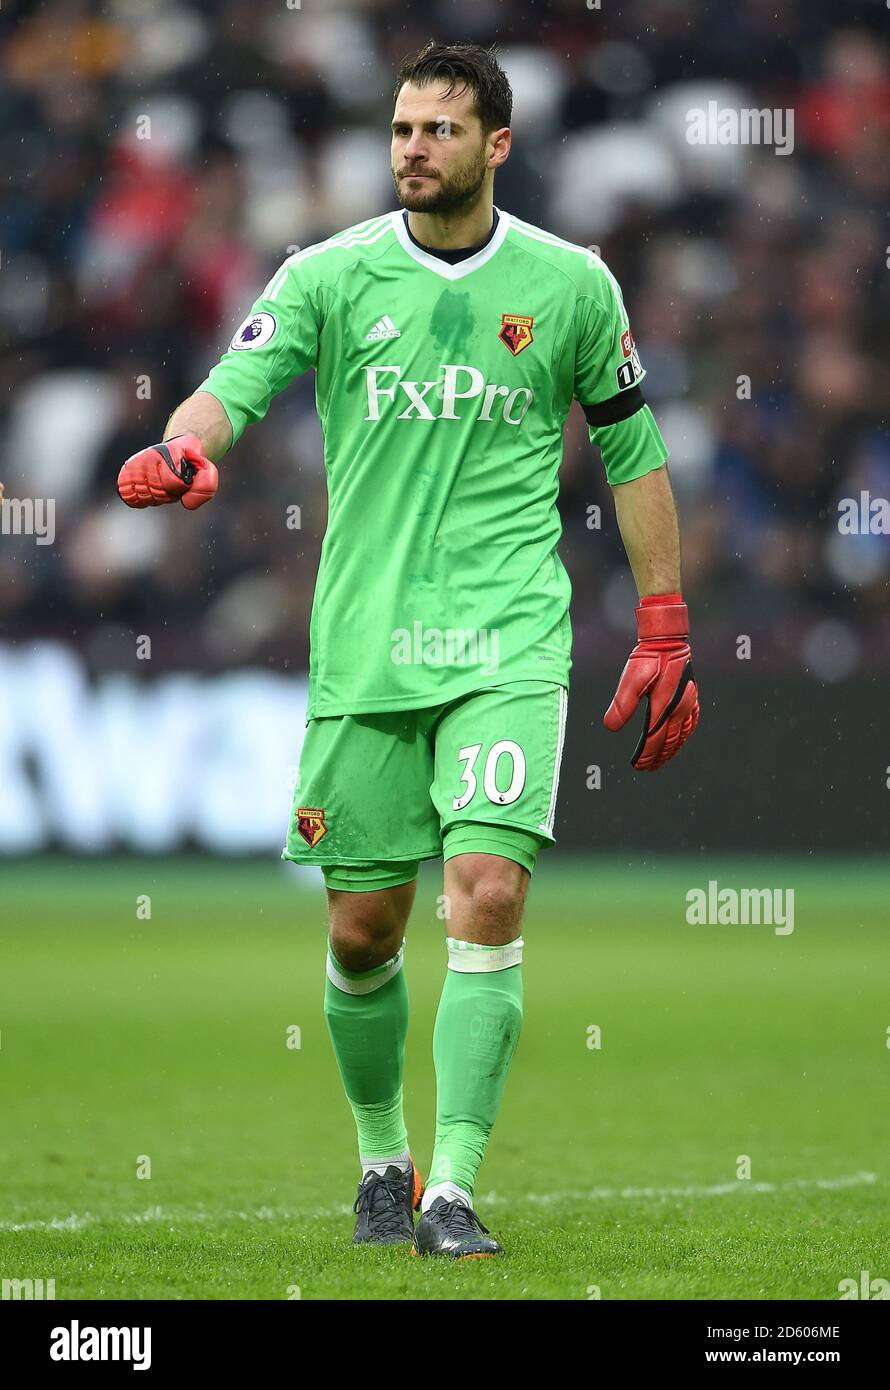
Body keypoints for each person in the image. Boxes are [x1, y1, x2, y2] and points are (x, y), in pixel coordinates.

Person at [117, 40, 699, 1258]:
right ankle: (382, 1160)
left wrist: (664, 622)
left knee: (482, 896)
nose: (411, 150)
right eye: (398, 131)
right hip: (367, 648)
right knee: (361, 931)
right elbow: (233, 382)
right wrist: (184, 447)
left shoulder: (573, 285)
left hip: (507, 642)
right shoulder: (328, 276)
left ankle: (451, 1188)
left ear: (495, 144)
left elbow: (634, 454)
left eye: (437, 131)